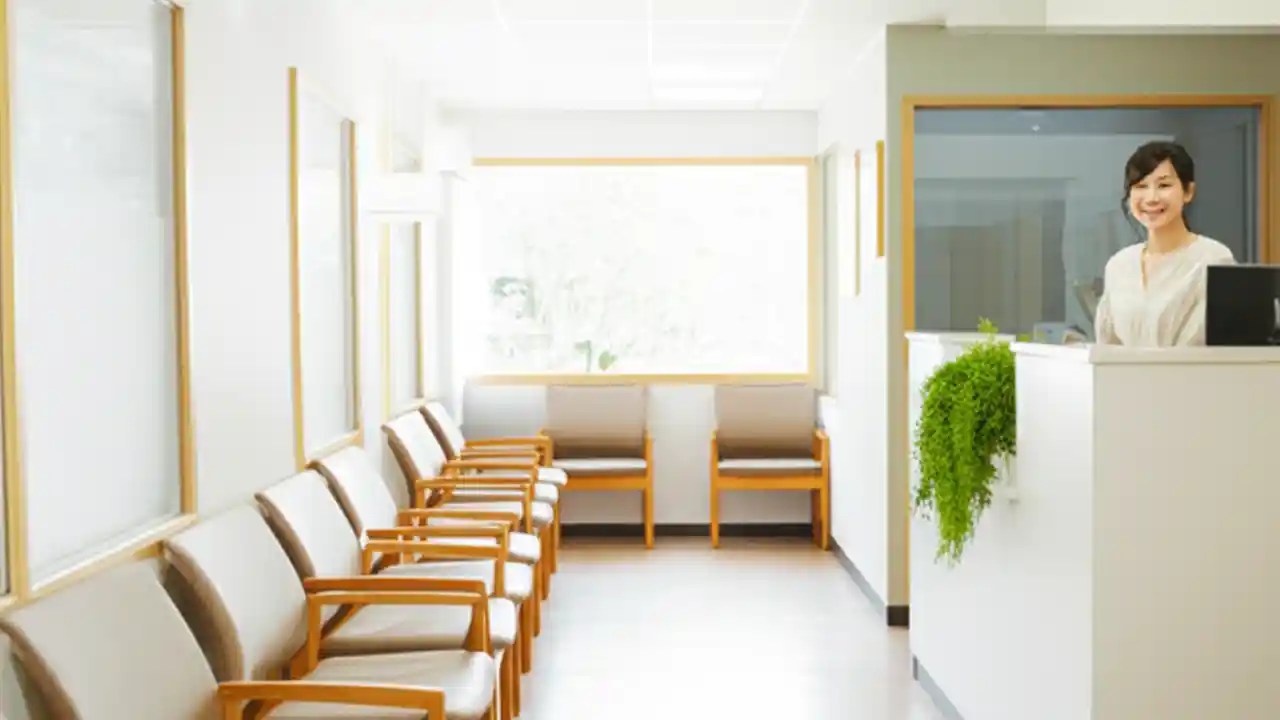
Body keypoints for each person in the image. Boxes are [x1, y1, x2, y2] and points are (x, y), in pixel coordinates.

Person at [1093, 141, 1236, 347]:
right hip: (1124, 379)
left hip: (1190, 378)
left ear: (1188, 192)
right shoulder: (1119, 265)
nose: (1151, 198)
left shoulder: (1213, 259)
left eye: (1164, 185)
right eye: (1141, 186)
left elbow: (1209, 348)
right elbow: (1107, 347)